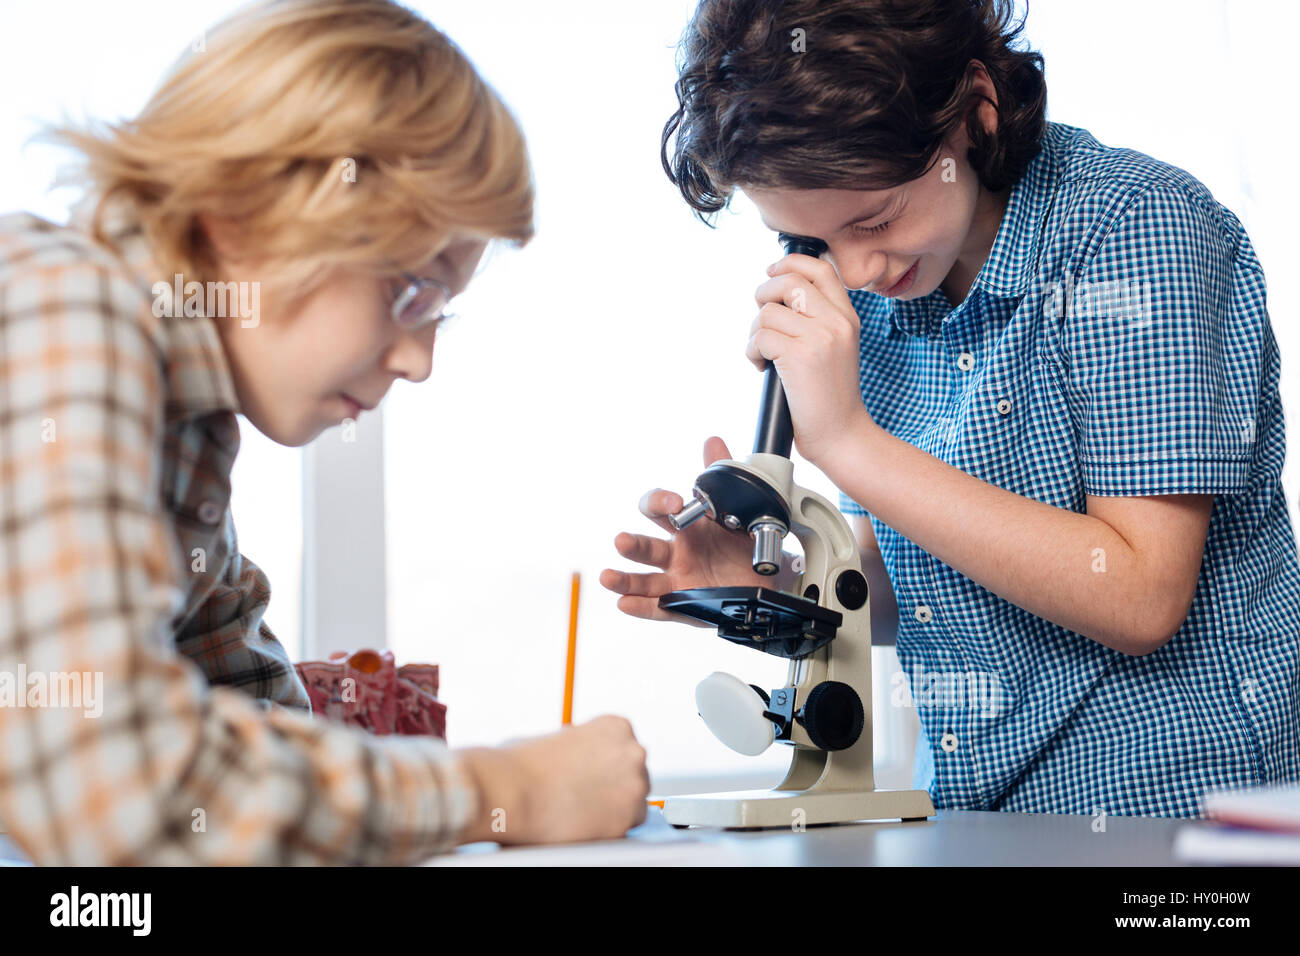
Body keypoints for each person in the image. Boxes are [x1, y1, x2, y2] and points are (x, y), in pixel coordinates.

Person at [602, 0, 1299, 817]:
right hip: (977, 813)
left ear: (974, 108)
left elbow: (1141, 594)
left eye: (875, 217)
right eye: (813, 242)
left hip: (1176, 818)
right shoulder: (894, 289)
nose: (856, 269)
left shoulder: (1137, 227)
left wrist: (846, 442)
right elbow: (932, 585)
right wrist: (791, 580)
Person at [0, 0, 646, 865]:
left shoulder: (187, 426)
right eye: (411, 290)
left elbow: (248, 711)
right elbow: (117, 789)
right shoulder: (66, 308)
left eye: (441, 317)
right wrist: (505, 792)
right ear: (243, 211)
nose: (419, 362)